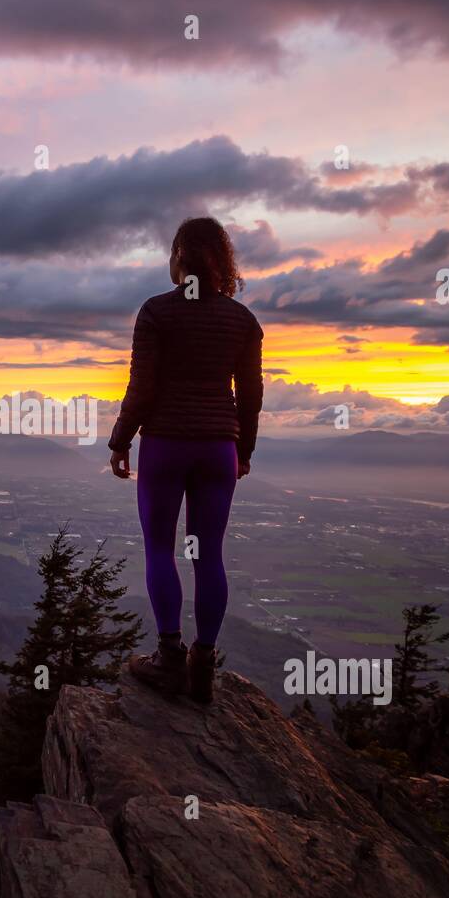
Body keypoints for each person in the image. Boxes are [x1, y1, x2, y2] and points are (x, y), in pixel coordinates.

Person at [108, 216, 263, 703]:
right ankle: (204, 665)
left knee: (160, 548)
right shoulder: (242, 321)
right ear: (224, 262)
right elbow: (251, 396)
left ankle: (170, 658)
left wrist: (120, 440)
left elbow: (142, 387)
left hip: (166, 444)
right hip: (218, 446)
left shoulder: (156, 312)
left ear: (178, 258)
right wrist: (243, 449)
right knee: (209, 554)